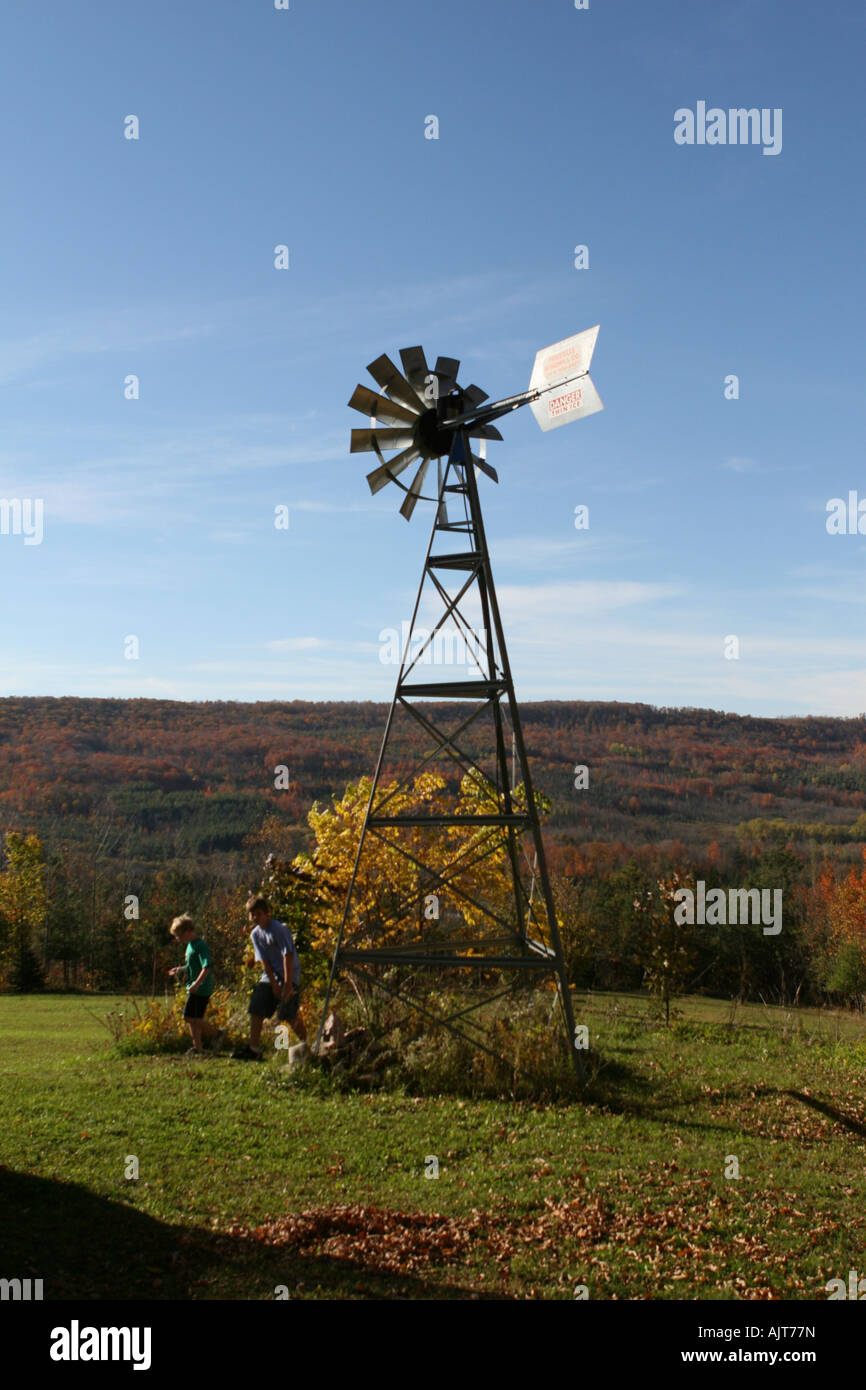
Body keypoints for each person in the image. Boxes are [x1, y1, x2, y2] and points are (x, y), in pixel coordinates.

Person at [232, 894, 307, 1061]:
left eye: (258, 913)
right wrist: (273, 984)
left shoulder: (279, 929)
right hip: (270, 974)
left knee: (288, 1012)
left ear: (266, 913)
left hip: (289, 972)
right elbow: (264, 960)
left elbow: (287, 956)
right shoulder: (255, 934)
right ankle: (254, 1049)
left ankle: (307, 1045)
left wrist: (287, 986)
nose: (255, 917)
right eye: (252, 914)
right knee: (256, 1006)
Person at [167, 914, 225, 1057]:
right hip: (193, 988)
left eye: (179, 936)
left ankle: (217, 1034)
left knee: (191, 1018)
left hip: (201, 989)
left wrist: (196, 984)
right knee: (192, 1018)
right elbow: (191, 965)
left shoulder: (200, 945)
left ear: (187, 931)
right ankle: (198, 1048)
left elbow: (206, 967)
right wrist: (180, 969)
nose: (178, 939)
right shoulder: (190, 946)